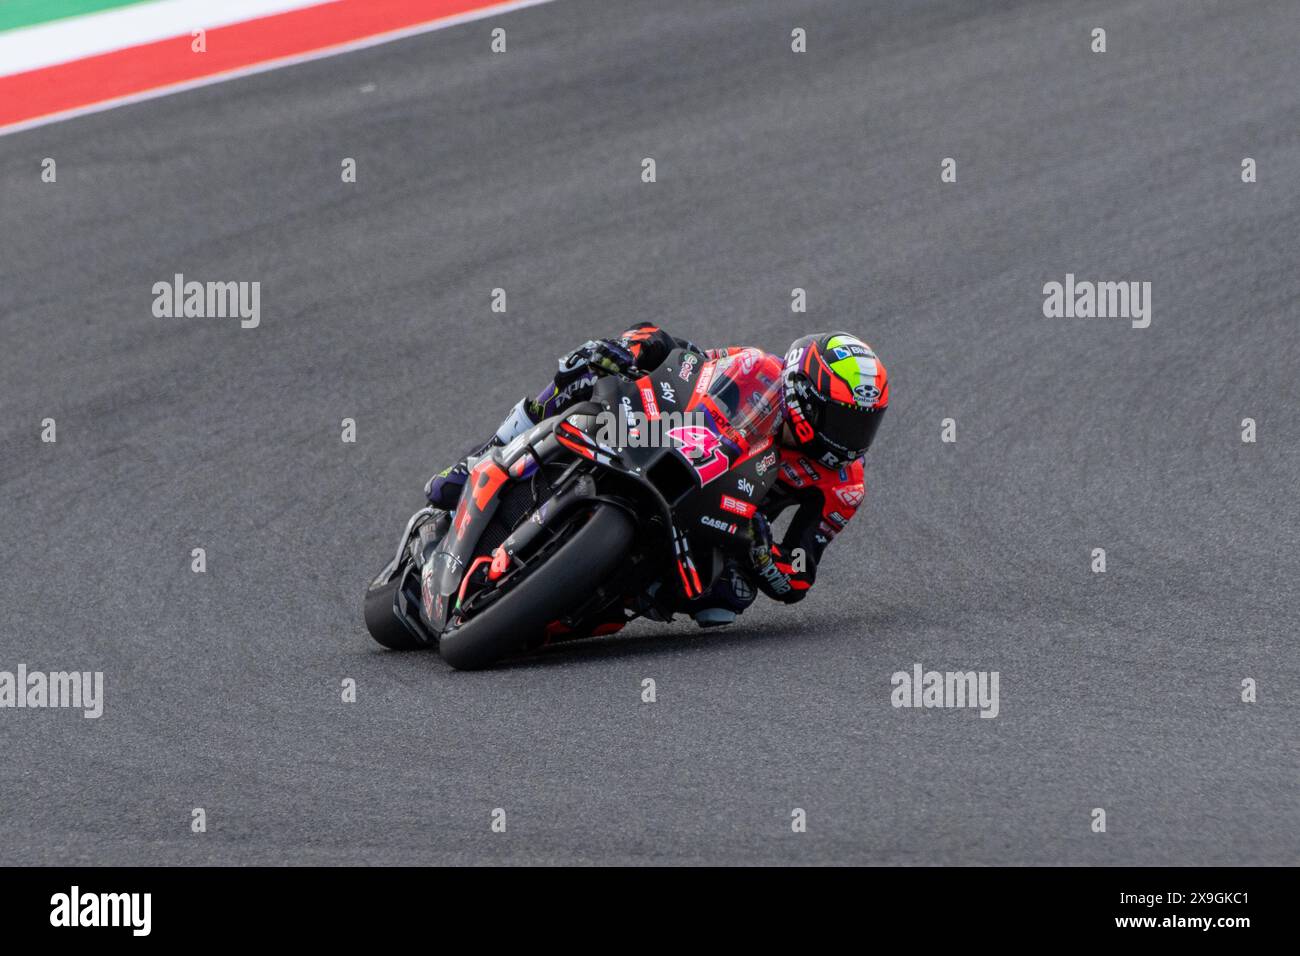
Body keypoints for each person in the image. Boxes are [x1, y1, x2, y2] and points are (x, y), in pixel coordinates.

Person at [424, 324, 888, 625]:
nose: (853, 439)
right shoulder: (756, 367)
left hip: (728, 522)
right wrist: (633, 347)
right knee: (586, 372)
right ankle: (483, 457)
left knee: (727, 602)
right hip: (677, 444)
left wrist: (765, 554)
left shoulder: (844, 487)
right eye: (846, 420)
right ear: (805, 396)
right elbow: (688, 362)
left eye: (866, 424)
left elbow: (799, 577)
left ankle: (592, 604)